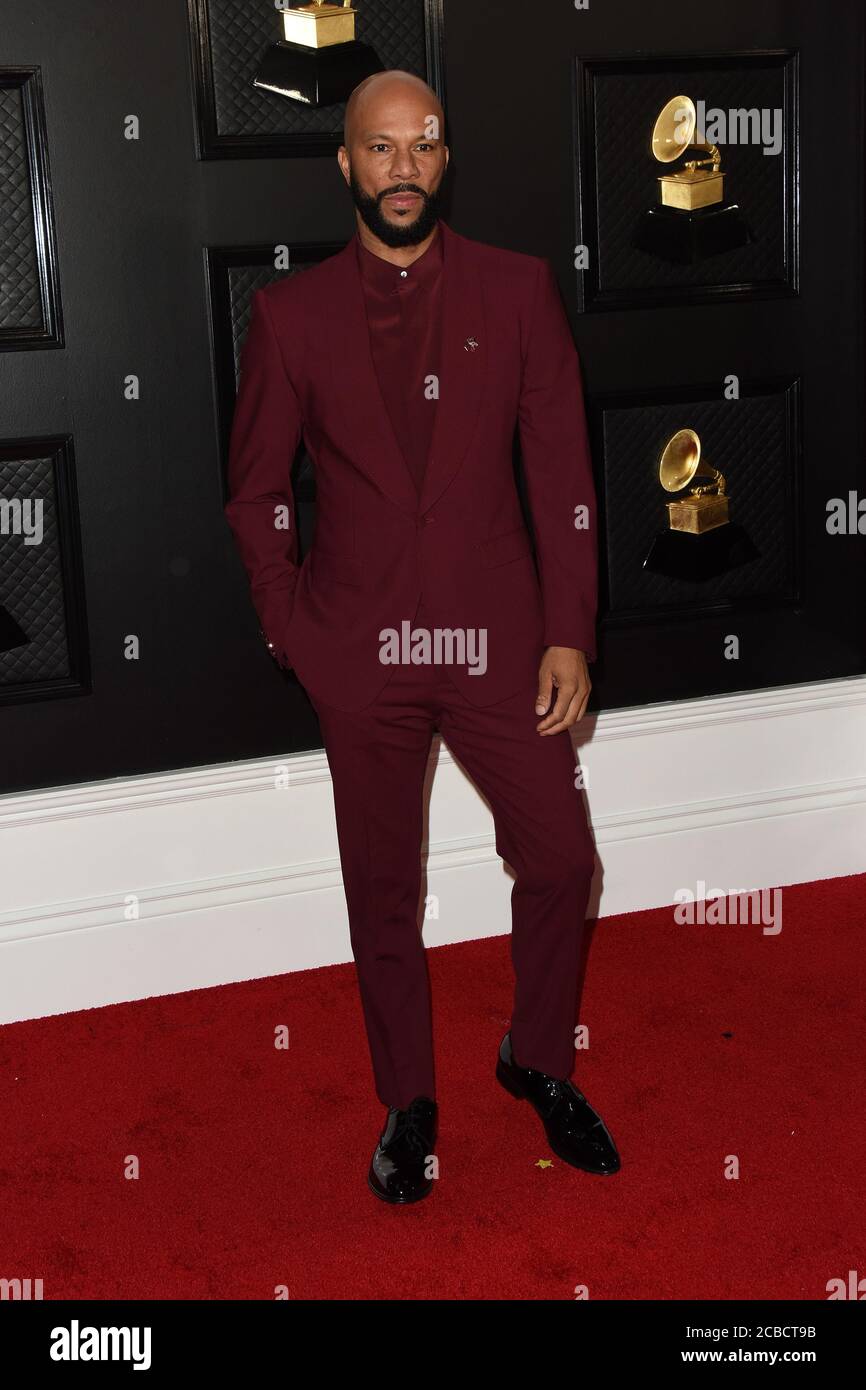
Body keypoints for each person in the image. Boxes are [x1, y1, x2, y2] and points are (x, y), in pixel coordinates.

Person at [225, 69, 620, 1203]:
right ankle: (408, 1097)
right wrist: (294, 626)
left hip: (503, 644)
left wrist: (567, 631)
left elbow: (562, 477)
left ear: (443, 161)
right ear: (345, 165)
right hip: (360, 650)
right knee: (381, 886)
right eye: (379, 147)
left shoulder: (518, 290)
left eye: (423, 144)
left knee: (558, 858)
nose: (403, 165)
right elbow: (256, 492)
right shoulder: (289, 316)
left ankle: (534, 1056)